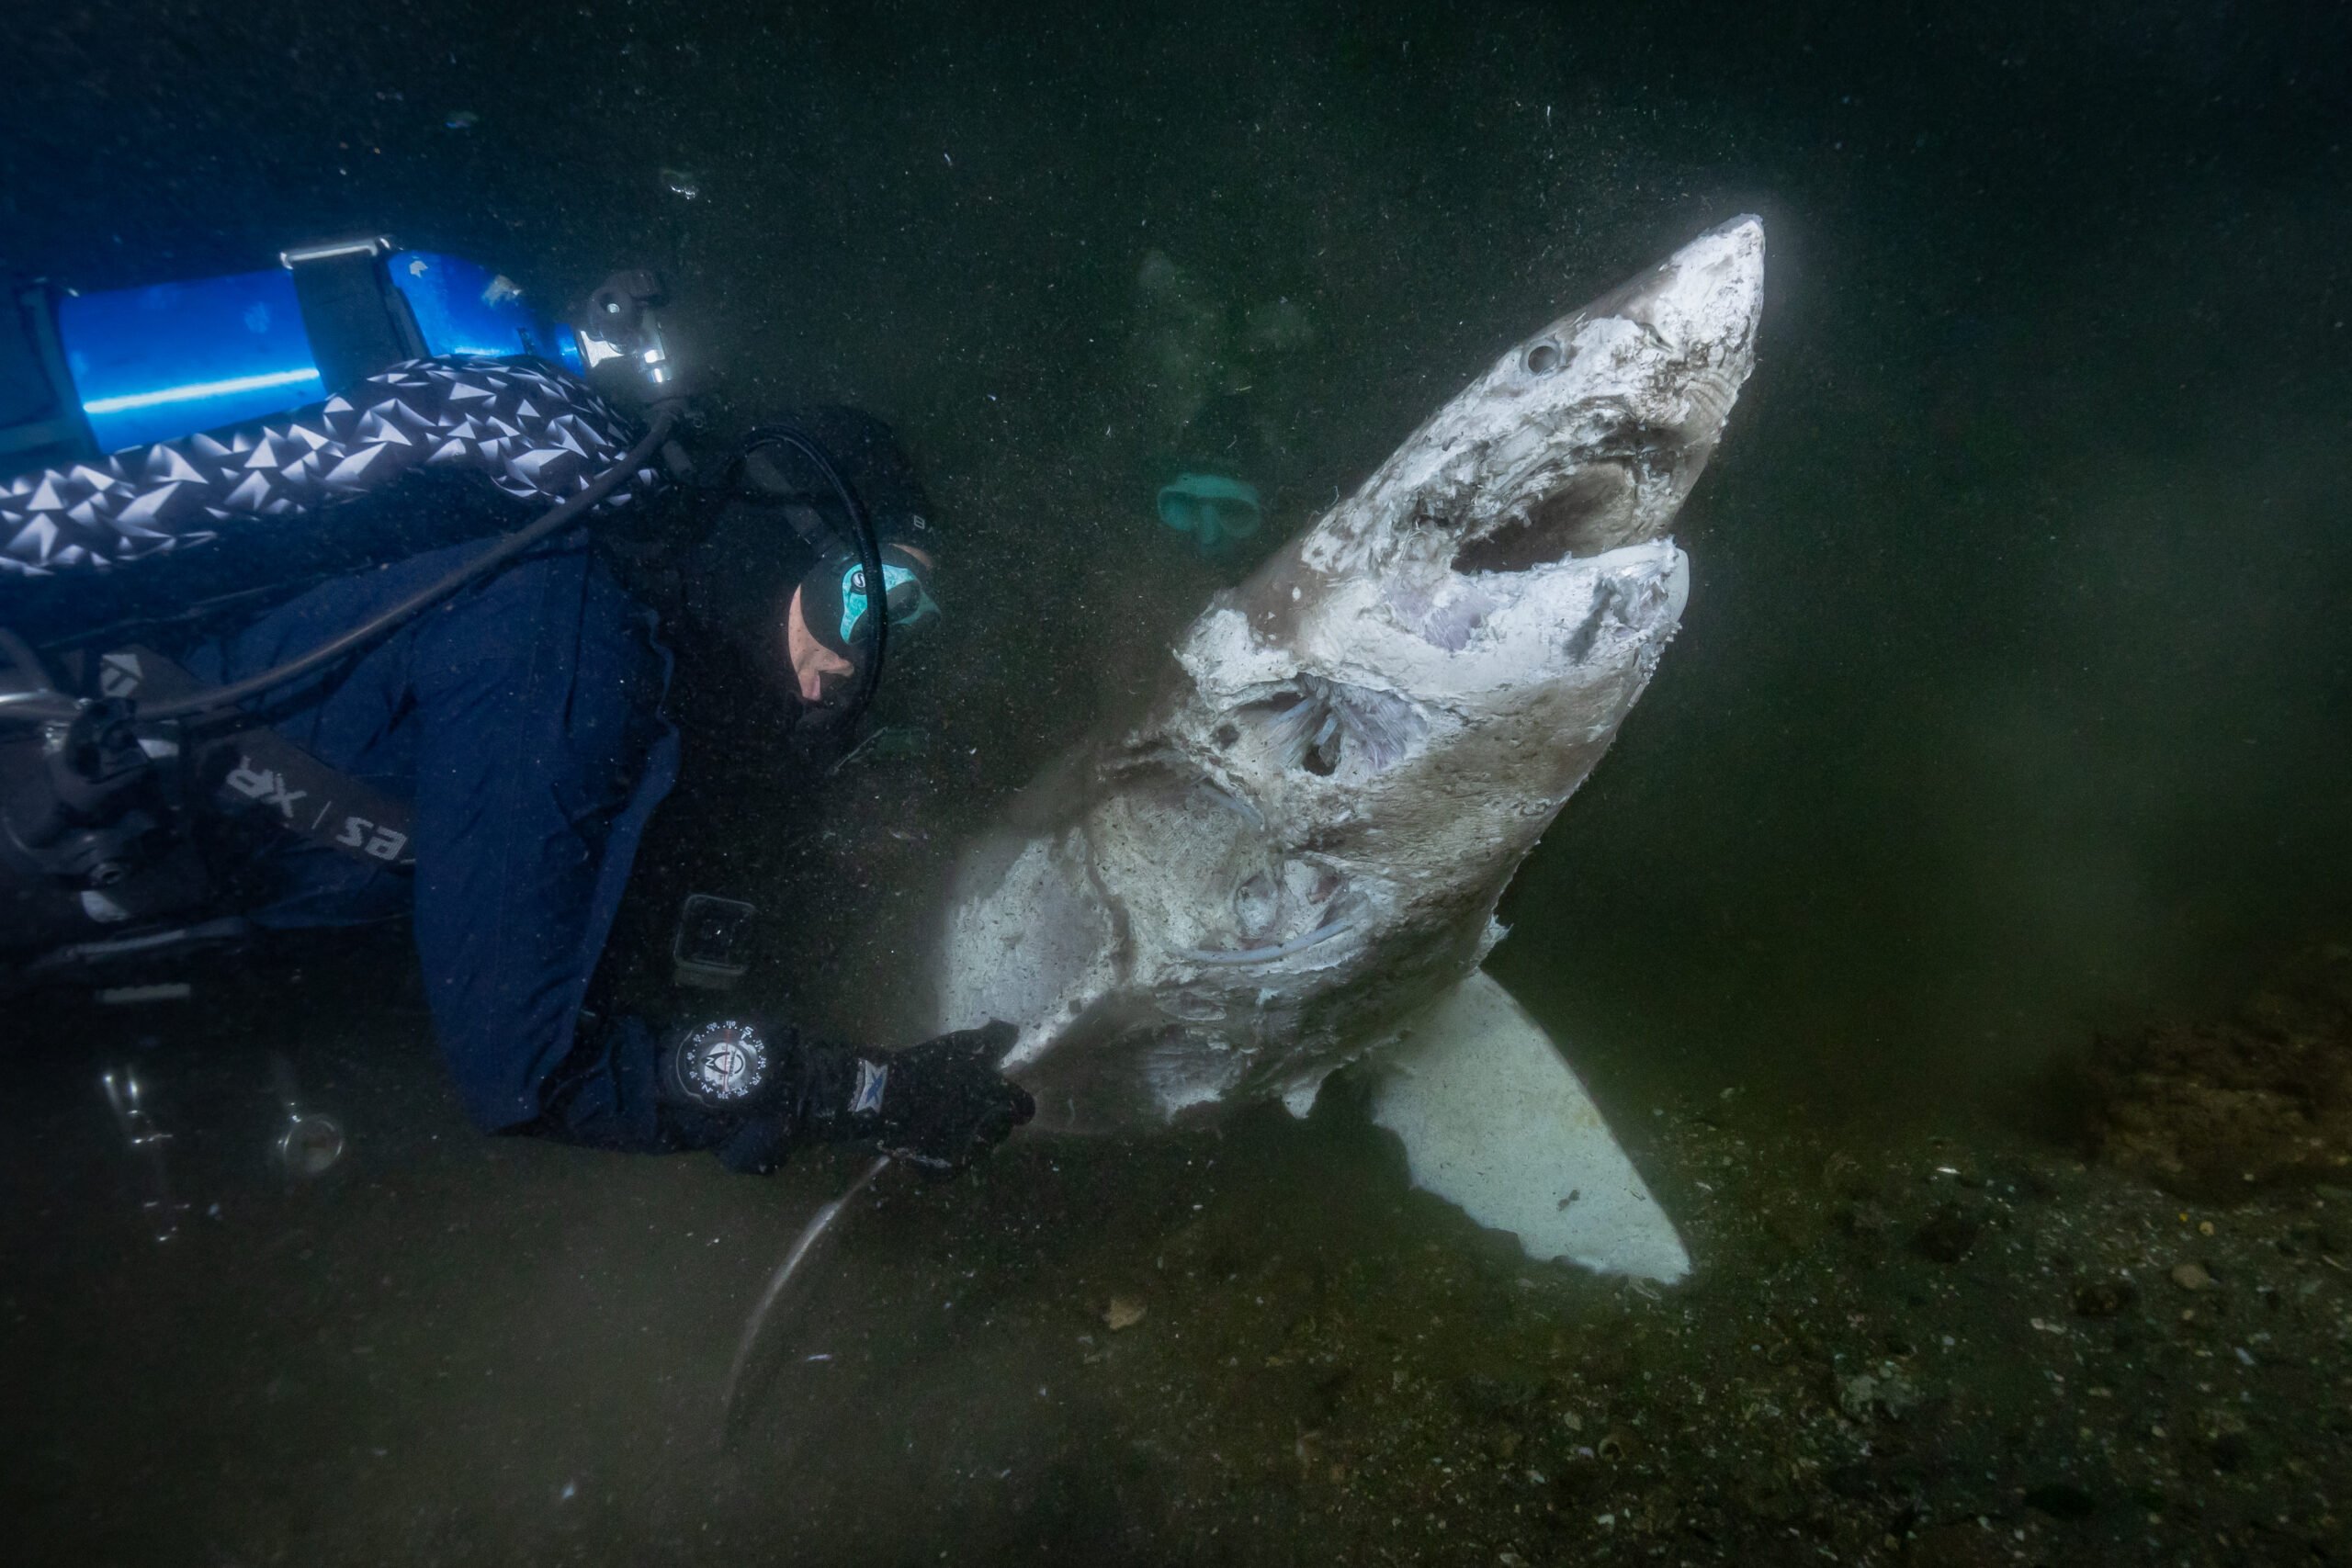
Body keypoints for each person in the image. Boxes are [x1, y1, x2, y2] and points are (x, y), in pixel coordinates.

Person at [0, 260, 1032, 1181]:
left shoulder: (624, 658)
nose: (868, 653)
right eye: (871, 590)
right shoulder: (568, 639)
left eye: (917, 630)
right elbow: (526, 1075)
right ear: (796, 525)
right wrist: (859, 1090)